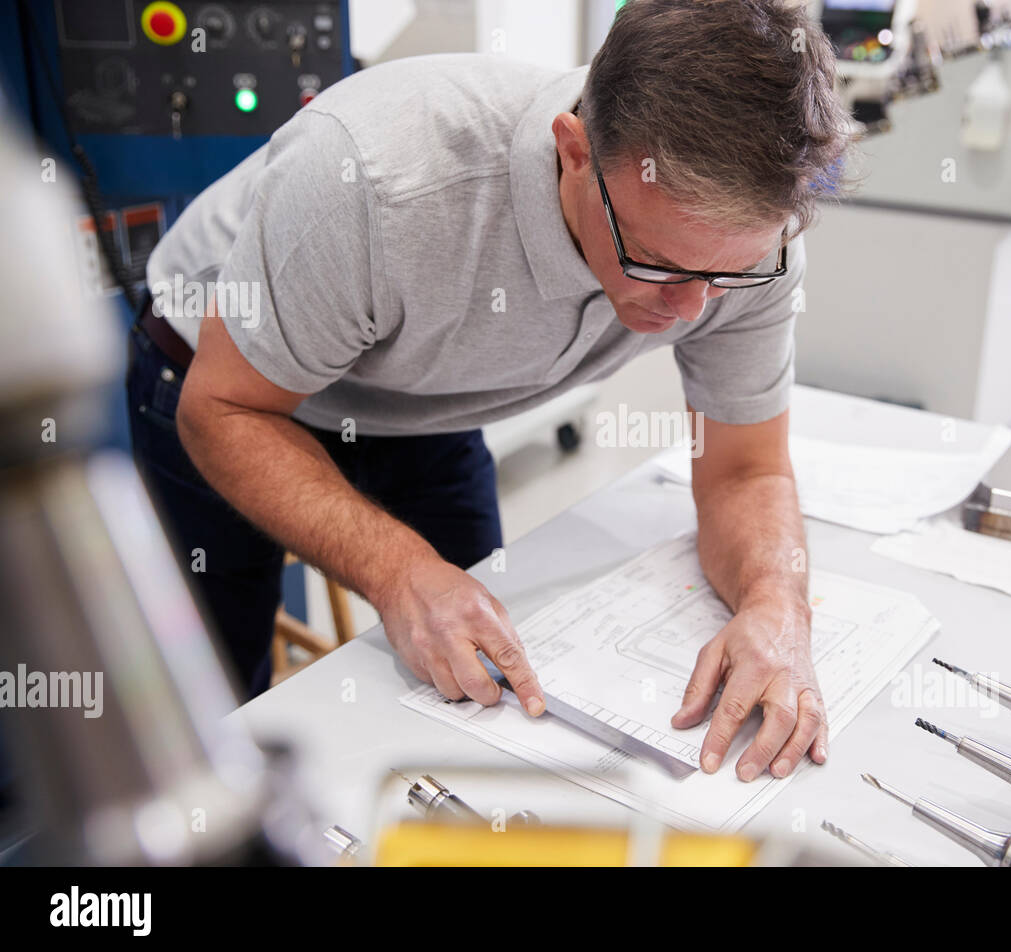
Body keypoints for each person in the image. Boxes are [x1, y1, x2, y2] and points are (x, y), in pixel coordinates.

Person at [130, 0, 853, 782]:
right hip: (229, 383)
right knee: (211, 710)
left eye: (727, 274)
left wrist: (776, 601)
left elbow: (746, 469)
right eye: (656, 261)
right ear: (573, 150)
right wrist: (398, 570)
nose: (690, 309)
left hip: (428, 395)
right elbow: (223, 408)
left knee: (487, 678)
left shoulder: (751, 243)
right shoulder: (377, 181)